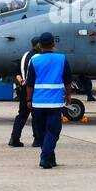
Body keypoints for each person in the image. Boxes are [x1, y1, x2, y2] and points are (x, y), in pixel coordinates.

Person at [25, 32, 72, 169]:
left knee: (42, 133)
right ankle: (45, 158)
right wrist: (68, 95)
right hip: (55, 103)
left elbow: (30, 83)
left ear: (40, 45)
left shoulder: (34, 60)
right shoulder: (61, 59)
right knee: (53, 131)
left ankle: (50, 158)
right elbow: (68, 80)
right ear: (53, 44)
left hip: (38, 102)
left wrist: (29, 100)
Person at [8, 37, 41, 147]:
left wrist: (22, 81)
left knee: (22, 115)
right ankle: (37, 140)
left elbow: (16, 71)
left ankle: (14, 138)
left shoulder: (25, 55)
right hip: (33, 90)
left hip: (23, 89)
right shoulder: (38, 57)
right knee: (36, 116)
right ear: (38, 45)